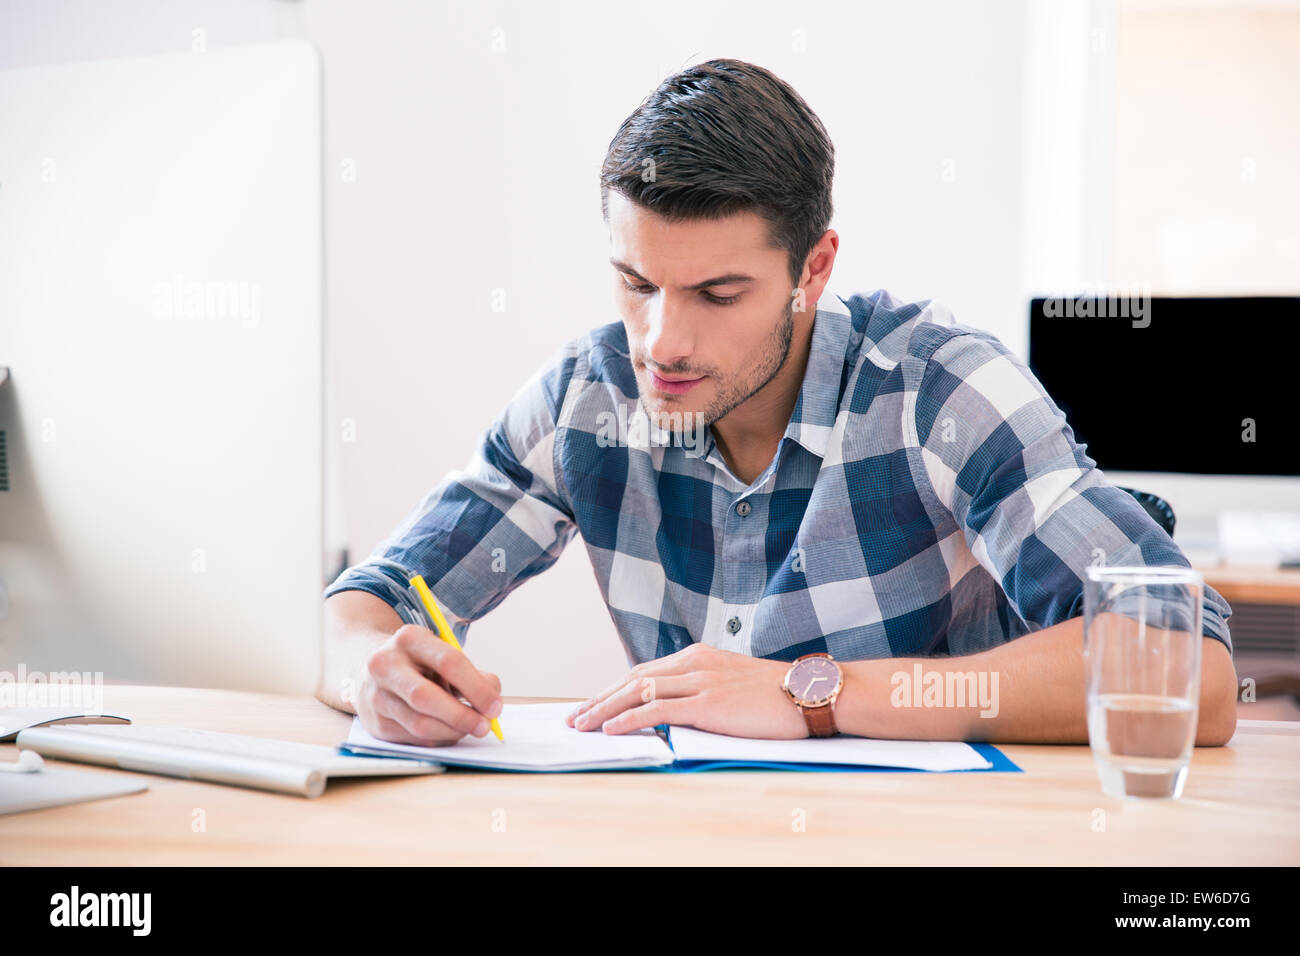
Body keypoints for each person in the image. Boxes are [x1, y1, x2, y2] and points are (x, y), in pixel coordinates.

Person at [317, 58, 1237, 748]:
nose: (662, 343)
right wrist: (373, 672)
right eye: (636, 282)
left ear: (815, 269)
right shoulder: (586, 398)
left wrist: (816, 693)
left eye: (718, 295)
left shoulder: (939, 388)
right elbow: (360, 603)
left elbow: (1188, 671)